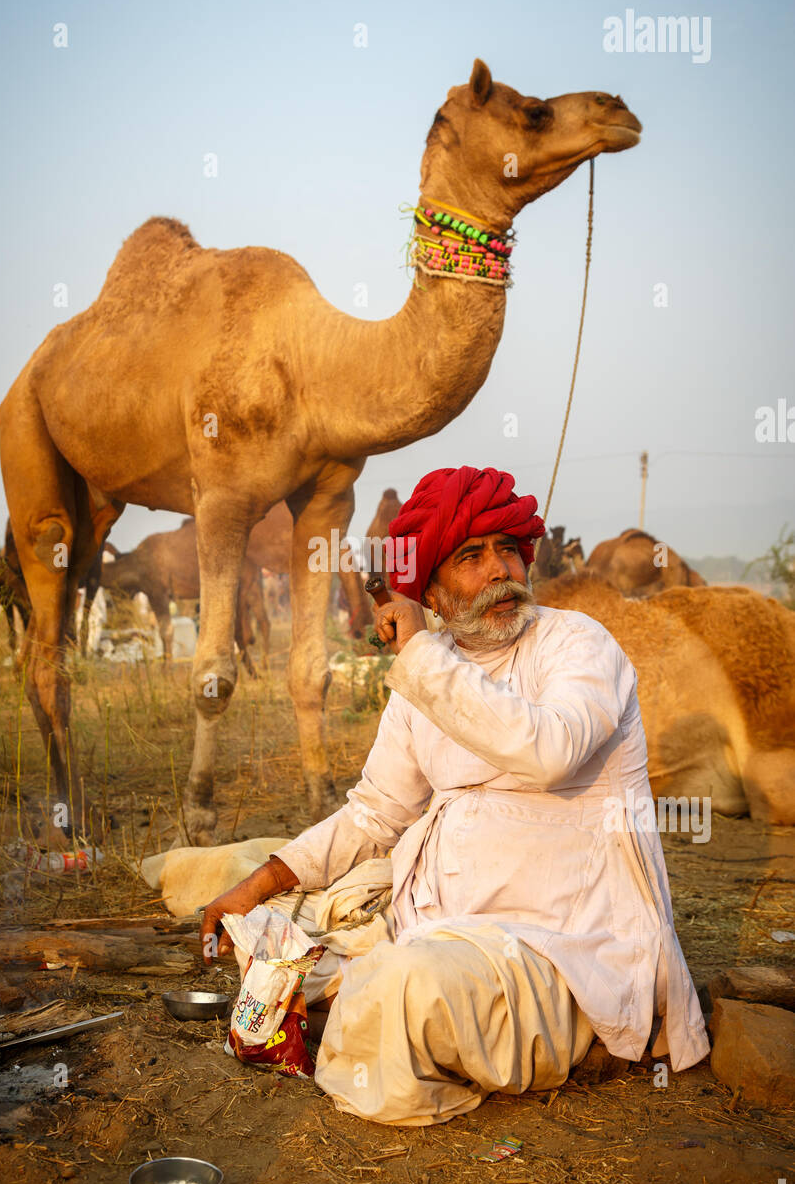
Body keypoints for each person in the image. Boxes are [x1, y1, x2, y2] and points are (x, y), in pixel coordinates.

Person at [201, 466, 709, 1126]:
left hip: (562, 950)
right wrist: (257, 884)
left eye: (507, 550)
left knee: (403, 983)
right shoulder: (431, 667)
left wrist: (418, 654)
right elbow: (374, 811)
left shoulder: (577, 645)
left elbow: (547, 751)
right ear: (433, 591)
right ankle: (356, 993)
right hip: (439, 928)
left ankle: (378, 1007)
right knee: (269, 935)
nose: (499, 570)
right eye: (471, 556)